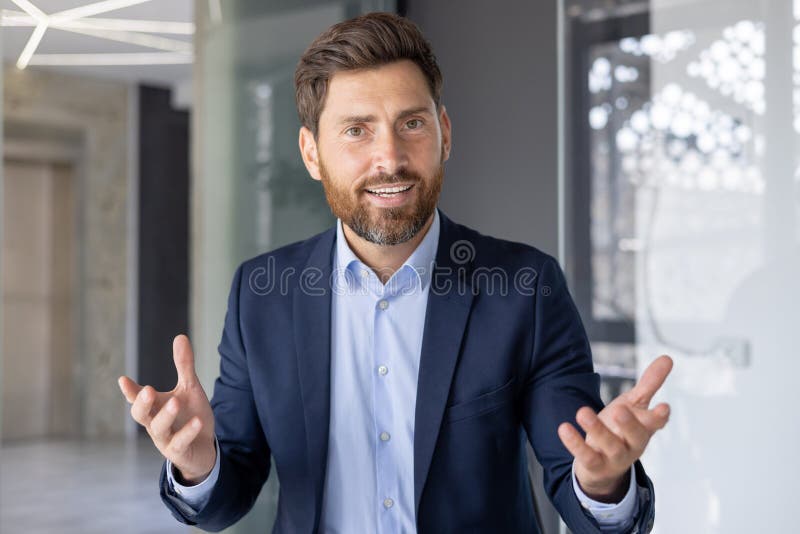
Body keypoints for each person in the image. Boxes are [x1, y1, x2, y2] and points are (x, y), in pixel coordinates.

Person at [118, 12, 672, 534]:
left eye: (411, 123)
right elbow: (228, 494)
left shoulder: (525, 287)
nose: (390, 157)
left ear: (444, 133)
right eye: (356, 131)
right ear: (311, 154)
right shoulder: (261, 294)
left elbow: (576, 472)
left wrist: (602, 482)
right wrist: (197, 466)